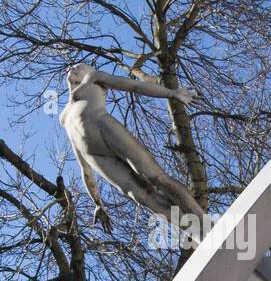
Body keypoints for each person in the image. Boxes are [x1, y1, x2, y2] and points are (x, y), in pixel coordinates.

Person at [59, 62, 203, 232]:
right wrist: (97, 203)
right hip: (95, 156)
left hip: (105, 128)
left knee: (157, 177)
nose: (73, 68)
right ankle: (198, 232)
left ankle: (205, 222)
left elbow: (134, 86)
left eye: (79, 66)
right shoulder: (63, 116)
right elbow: (82, 162)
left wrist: (172, 93)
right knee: (143, 196)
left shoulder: (93, 78)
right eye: (71, 67)